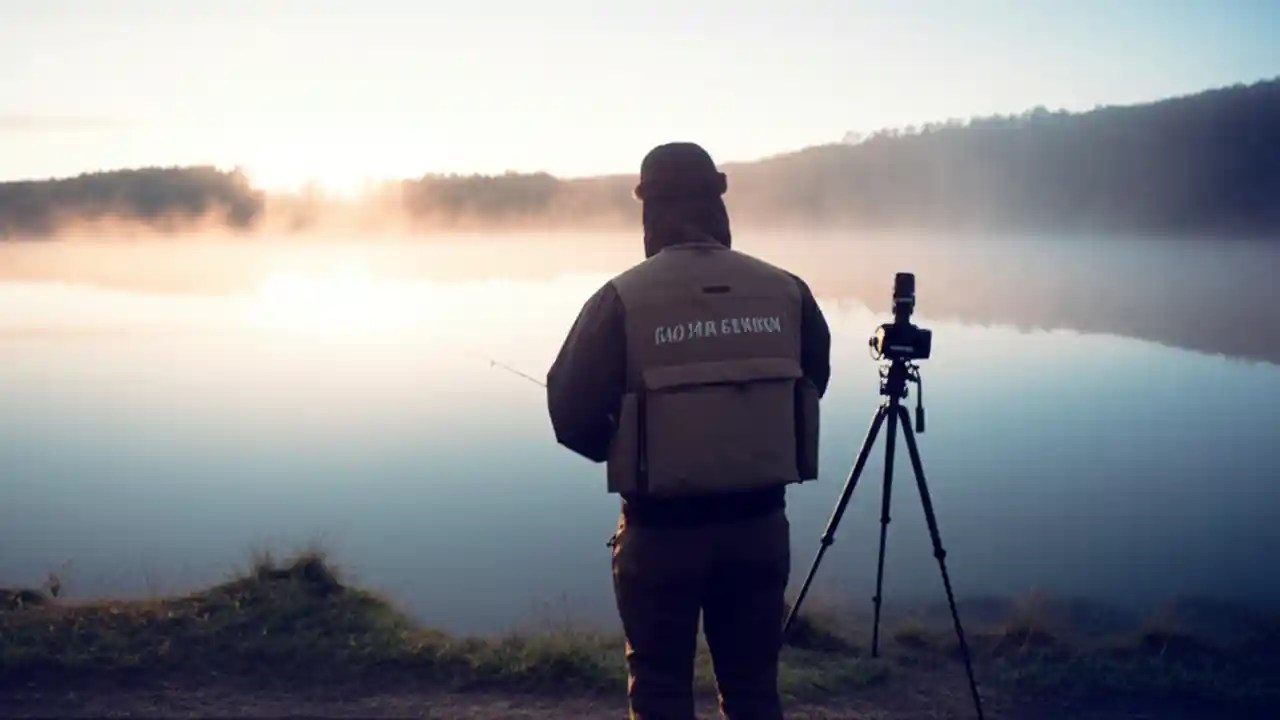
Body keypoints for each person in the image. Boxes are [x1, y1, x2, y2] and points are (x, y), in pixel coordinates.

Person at [546, 142, 831, 720]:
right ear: (719, 204)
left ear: (647, 212)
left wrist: (635, 444)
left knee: (659, 691)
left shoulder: (620, 299)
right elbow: (813, 380)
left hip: (660, 536)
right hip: (759, 529)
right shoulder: (787, 290)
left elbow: (571, 417)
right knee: (753, 691)